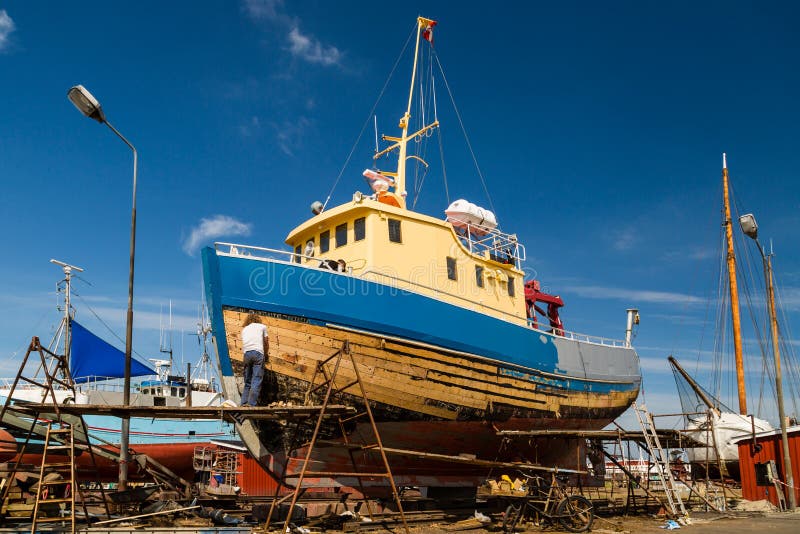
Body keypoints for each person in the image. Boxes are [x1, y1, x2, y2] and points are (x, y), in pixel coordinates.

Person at [240, 313, 269, 407]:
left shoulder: (244, 329)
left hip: (247, 354)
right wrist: (265, 354)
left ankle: (243, 403)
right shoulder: (262, 327)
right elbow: (266, 342)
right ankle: (251, 404)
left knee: (247, 381)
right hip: (258, 353)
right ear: (258, 319)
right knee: (256, 379)